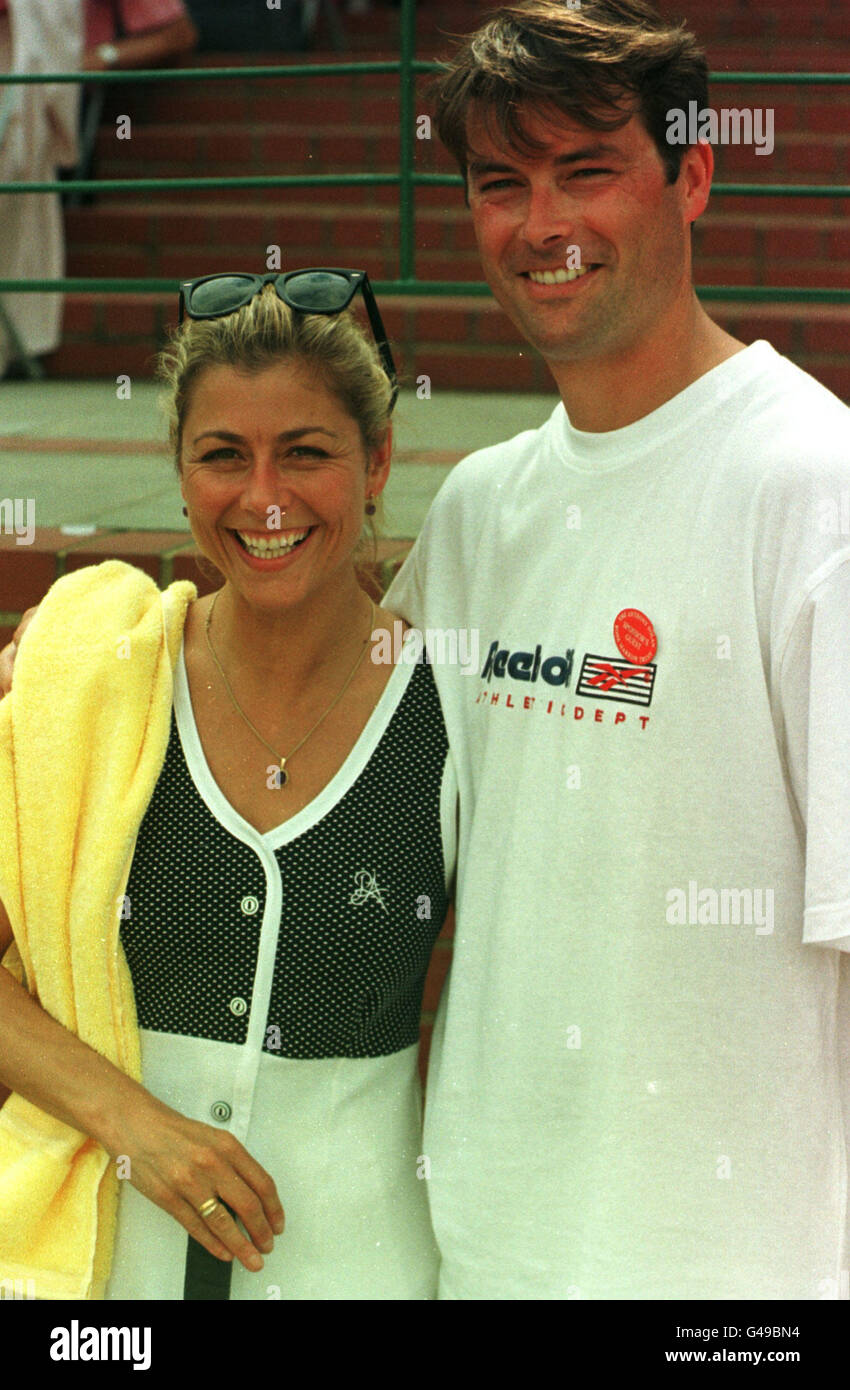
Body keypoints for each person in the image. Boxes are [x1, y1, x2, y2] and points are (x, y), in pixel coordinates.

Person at [380, 0, 850, 1299]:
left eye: (586, 171)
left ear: (691, 174)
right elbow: (335, 800)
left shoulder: (813, 485)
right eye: (500, 183)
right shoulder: (477, 510)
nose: (543, 225)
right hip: (488, 1255)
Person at [0, 268, 457, 1300]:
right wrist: (133, 1123)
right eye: (222, 456)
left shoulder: (454, 711)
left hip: (360, 1266)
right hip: (97, 1278)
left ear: (376, 459)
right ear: (177, 467)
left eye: (306, 452)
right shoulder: (96, 670)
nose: (264, 498)